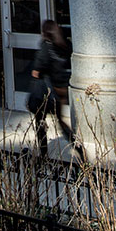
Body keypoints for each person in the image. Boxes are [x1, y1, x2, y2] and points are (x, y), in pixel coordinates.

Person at [29, 19, 74, 155]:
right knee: (59, 120)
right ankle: (76, 145)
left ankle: (43, 152)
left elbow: (37, 70)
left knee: (40, 120)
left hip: (48, 91)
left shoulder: (46, 46)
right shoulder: (64, 45)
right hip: (60, 89)